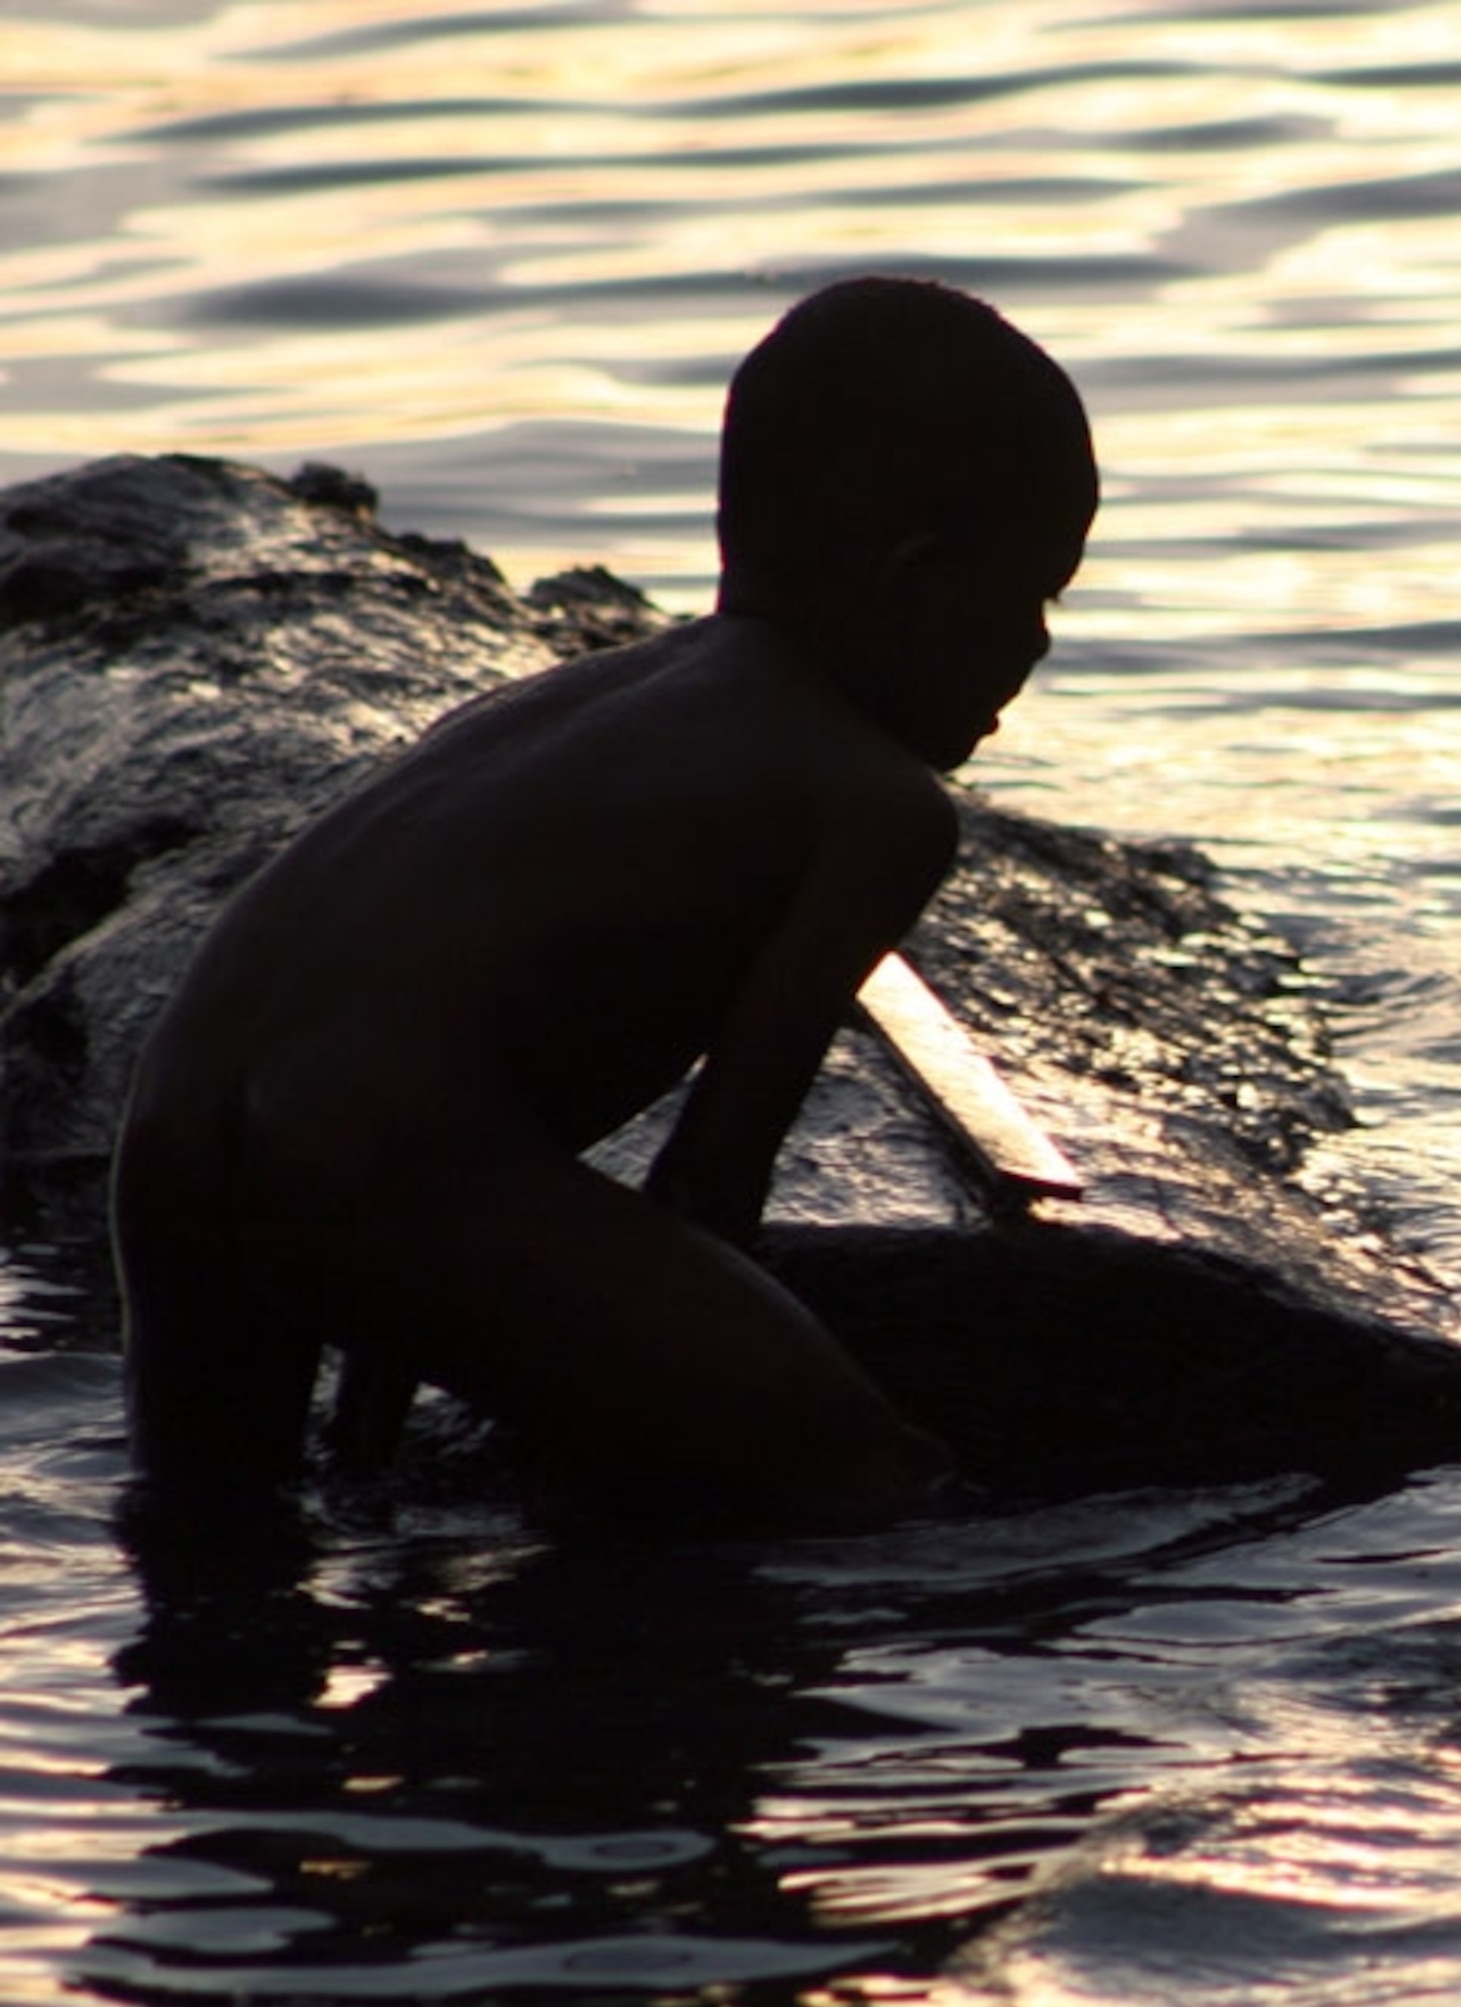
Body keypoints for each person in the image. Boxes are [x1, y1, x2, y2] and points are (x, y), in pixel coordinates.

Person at [112, 275, 1097, 1524]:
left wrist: (418, 1312)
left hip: (173, 1125)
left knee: (210, 1547)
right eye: (1037, 596)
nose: (1043, 649)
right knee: (866, 1474)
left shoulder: (559, 702)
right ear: (920, 579)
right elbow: (712, 1182)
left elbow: (425, 1035)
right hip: (369, 1161)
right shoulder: (878, 804)